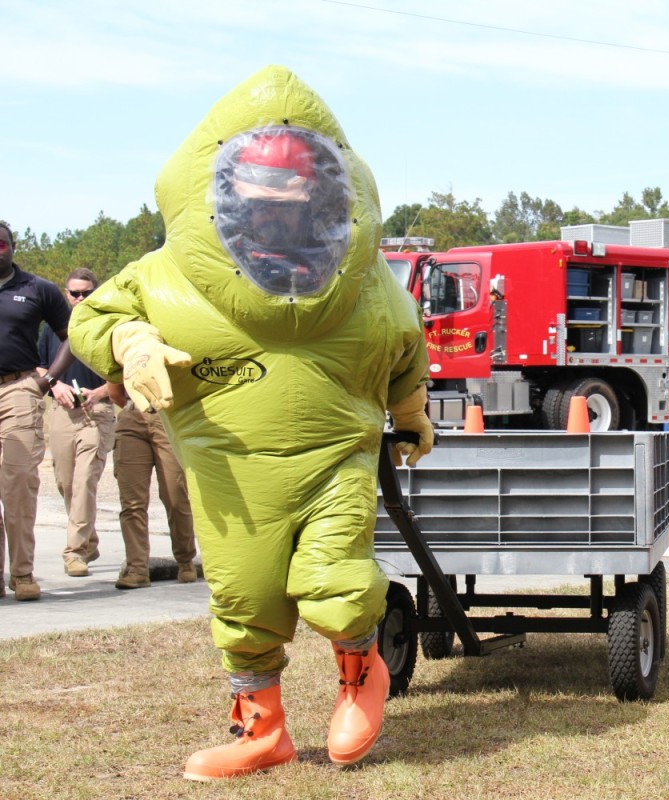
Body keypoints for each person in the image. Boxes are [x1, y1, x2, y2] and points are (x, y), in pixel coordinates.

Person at [69, 66, 433, 780]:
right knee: (245, 592)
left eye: (295, 206)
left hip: (336, 459)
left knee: (333, 577)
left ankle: (363, 676)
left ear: (328, 201)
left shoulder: (363, 282)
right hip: (231, 471)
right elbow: (95, 314)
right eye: (262, 206)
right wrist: (130, 343)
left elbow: (405, 343)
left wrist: (411, 411)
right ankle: (259, 727)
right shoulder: (168, 273)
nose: (278, 220)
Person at [0, 220, 77, 602]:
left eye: (1, 243)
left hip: (18, 388)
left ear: (13, 247)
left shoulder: (37, 289)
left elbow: (72, 336)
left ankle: (23, 573)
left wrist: (47, 380)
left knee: (17, 484)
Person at [38, 267, 116, 578]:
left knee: (85, 483)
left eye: (87, 292)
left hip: (97, 413)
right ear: (66, 294)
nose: (80, 298)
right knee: (65, 482)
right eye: (75, 293)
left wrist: (97, 393)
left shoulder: (108, 326)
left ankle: (74, 552)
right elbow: (40, 365)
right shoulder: (53, 329)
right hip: (60, 413)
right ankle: (89, 539)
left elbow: (122, 376)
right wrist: (54, 385)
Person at [106, 381, 197, 590]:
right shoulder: (126, 347)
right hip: (132, 418)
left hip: (167, 416)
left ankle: (185, 560)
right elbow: (114, 390)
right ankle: (137, 569)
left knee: (175, 496)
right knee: (132, 503)